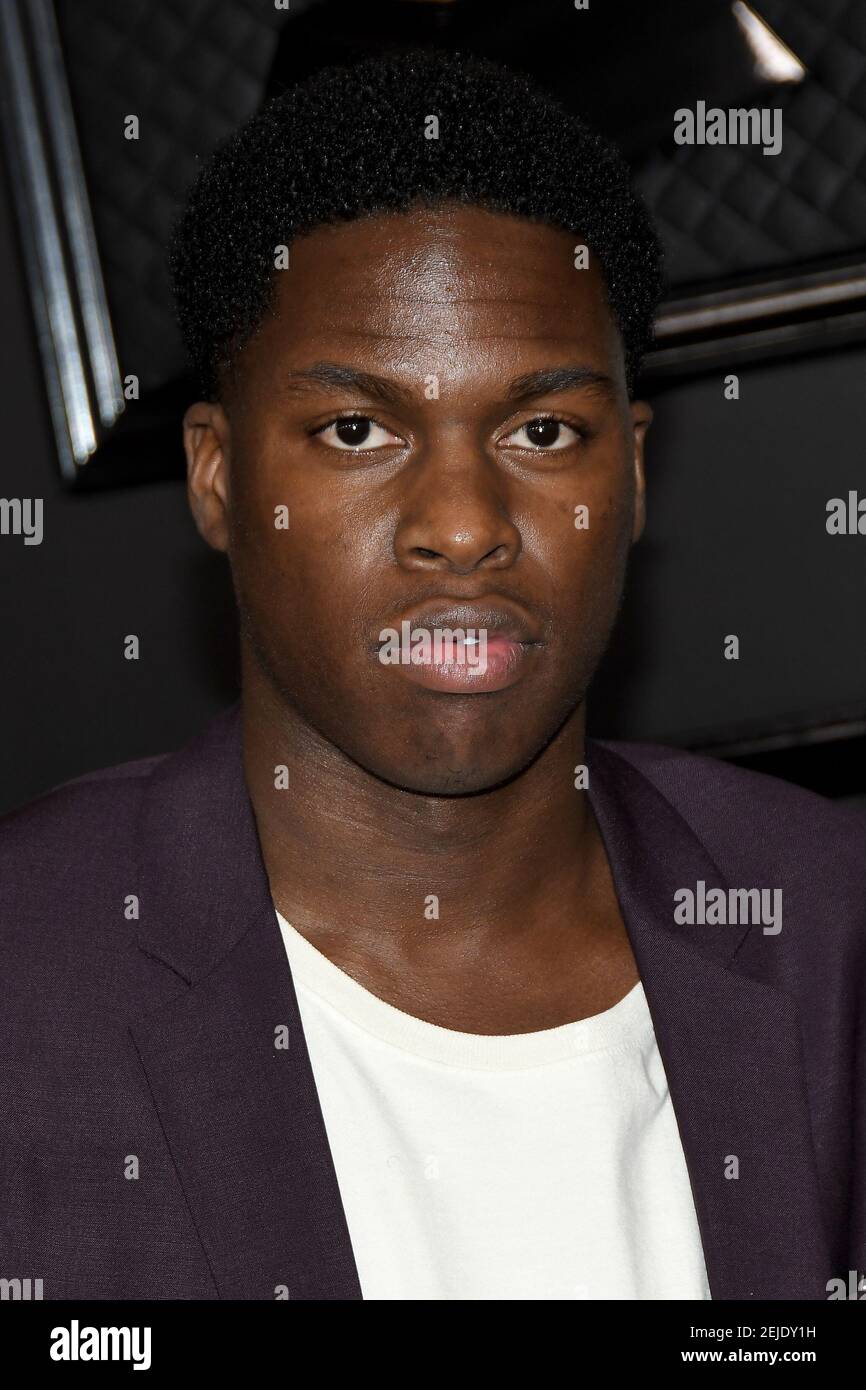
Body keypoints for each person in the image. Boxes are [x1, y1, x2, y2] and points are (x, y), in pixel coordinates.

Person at [2, 48, 863, 1303]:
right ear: (218, 476)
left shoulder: (827, 932)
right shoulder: (29, 982)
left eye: (541, 431)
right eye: (357, 429)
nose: (462, 525)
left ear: (627, 474)